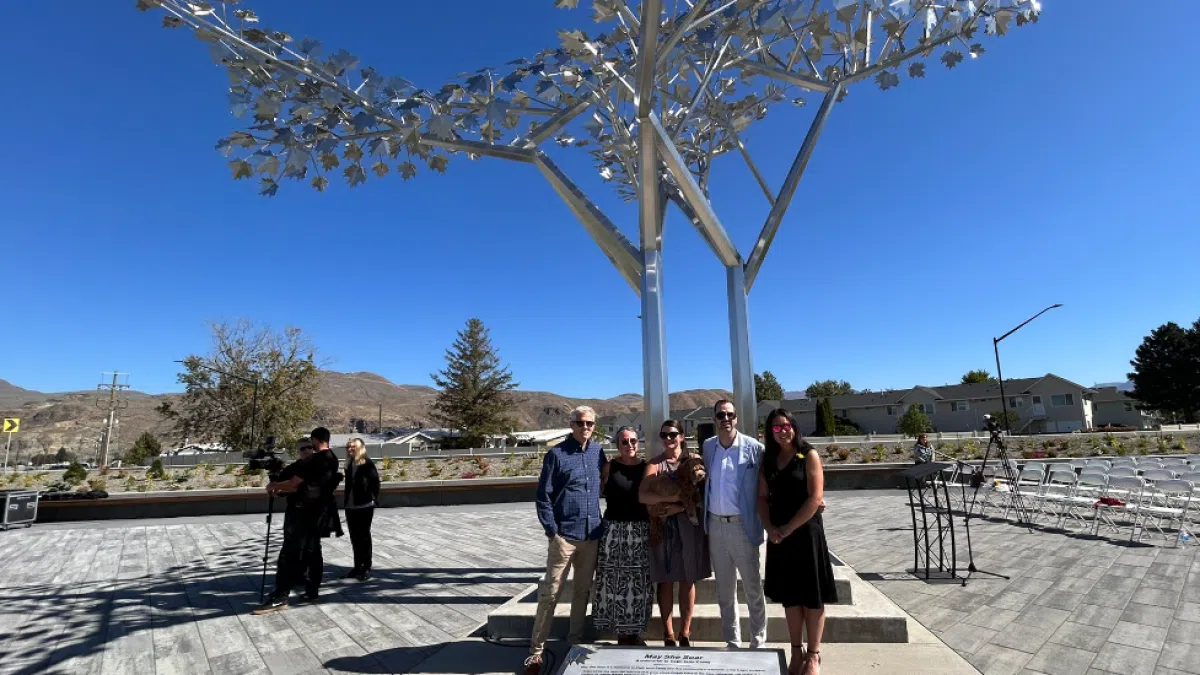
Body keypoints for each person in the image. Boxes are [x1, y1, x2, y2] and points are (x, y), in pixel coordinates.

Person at [524, 406, 608, 675]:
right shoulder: (556, 455)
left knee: (583, 591)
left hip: (592, 534)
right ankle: (536, 653)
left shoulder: (598, 452)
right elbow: (543, 496)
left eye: (590, 424)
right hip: (565, 536)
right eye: (581, 423)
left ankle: (575, 643)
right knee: (550, 593)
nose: (586, 428)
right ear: (572, 425)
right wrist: (552, 531)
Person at [760, 409, 837, 675]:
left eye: (786, 426)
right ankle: (796, 651)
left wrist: (788, 528)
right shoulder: (768, 459)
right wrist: (771, 528)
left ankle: (814, 656)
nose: (782, 431)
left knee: (812, 598)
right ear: (770, 432)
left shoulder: (809, 455)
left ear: (794, 426)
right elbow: (761, 497)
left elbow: (815, 498)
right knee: (791, 598)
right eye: (776, 428)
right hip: (780, 536)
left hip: (806, 533)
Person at [702, 400, 768, 649]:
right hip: (716, 527)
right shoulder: (709, 447)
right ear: (714, 419)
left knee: (753, 588)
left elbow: (770, 482)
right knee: (724, 591)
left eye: (730, 414)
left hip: (743, 526)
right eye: (721, 414)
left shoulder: (754, 449)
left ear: (736, 418)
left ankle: (758, 641)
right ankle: (732, 642)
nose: (725, 418)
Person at [254, 427, 342, 614]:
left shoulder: (317, 460)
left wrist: (274, 485)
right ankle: (311, 590)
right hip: (315, 513)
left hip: (304, 514)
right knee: (312, 550)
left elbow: (296, 483)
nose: (308, 450)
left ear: (315, 440)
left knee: (289, 555)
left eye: (310, 444)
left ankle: (280, 597)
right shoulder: (333, 459)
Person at [640, 419, 711, 647]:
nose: (668, 439)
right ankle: (668, 632)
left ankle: (685, 632)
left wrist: (681, 507)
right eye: (664, 435)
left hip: (690, 526)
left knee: (688, 579)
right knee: (666, 580)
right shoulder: (654, 465)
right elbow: (643, 497)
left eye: (672, 434)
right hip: (664, 527)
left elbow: (703, 493)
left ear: (682, 436)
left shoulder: (695, 463)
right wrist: (672, 499)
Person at [591, 426, 652, 646]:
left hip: (639, 531)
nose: (630, 445)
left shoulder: (646, 467)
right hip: (614, 532)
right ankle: (621, 633)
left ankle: (635, 632)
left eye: (633, 440)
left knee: (638, 584)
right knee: (614, 583)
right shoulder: (610, 466)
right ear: (618, 445)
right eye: (624, 441)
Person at [343, 437, 380, 581]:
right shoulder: (349, 464)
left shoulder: (367, 463)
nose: (350, 449)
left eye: (353, 447)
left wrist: (374, 500)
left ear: (360, 448)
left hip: (364, 505)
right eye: (348, 447)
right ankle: (357, 566)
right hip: (350, 506)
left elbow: (375, 482)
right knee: (354, 537)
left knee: (364, 537)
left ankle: (366, 567)